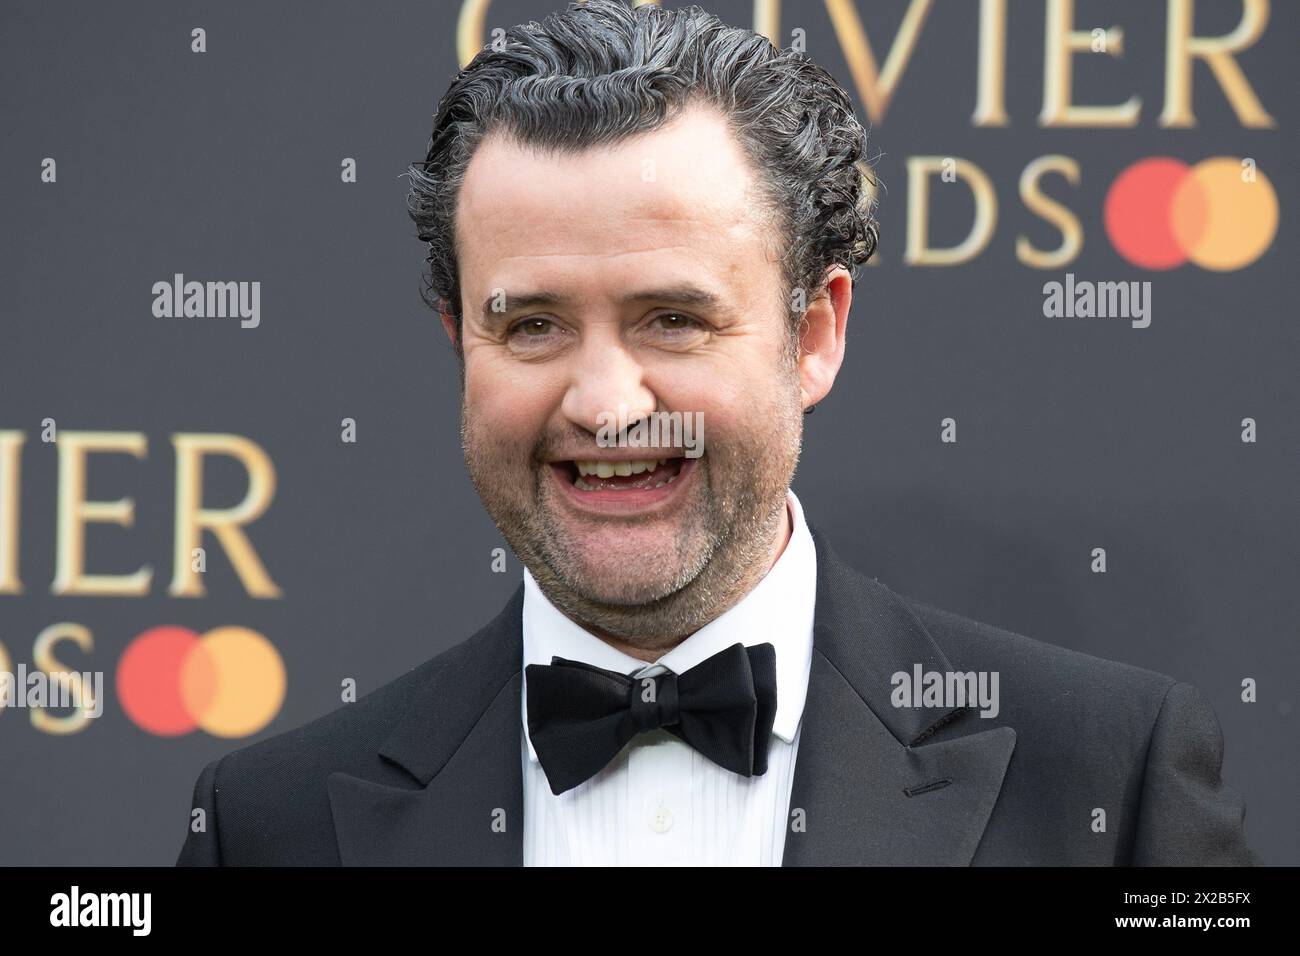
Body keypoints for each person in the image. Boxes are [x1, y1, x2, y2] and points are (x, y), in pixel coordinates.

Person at [177, 0, 1254, 866]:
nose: (605, 403)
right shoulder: (270, 824)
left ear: (813, 334)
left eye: (673, 319)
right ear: (461, 338)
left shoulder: (1108, 782)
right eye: (533, 323)